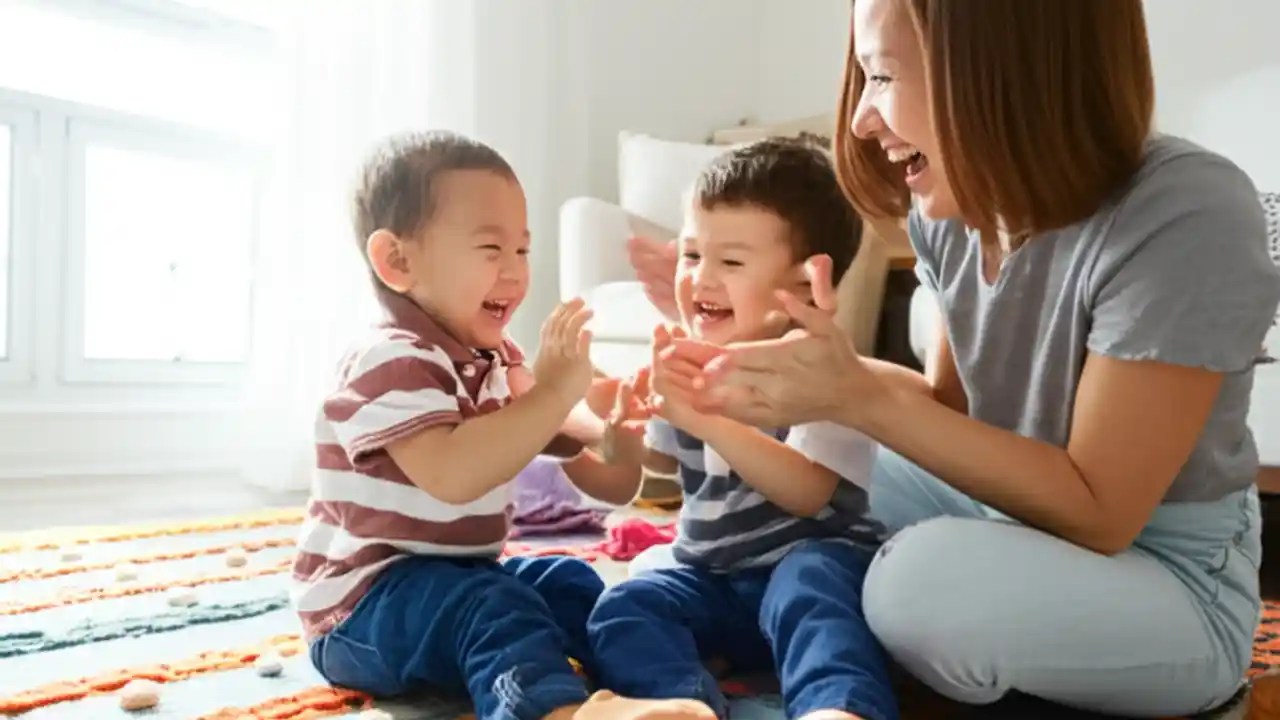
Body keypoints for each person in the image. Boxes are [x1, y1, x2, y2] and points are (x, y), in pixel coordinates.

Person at [636, 1, 1280, 717]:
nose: (859, 120)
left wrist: (855, 396)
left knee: (911, 589)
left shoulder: (1185, 208)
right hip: (1006, 516)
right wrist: (798, 375)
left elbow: (1104, 514)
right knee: (821, 474)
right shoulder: (952, 212)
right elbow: (948, 419)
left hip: (1168, 574)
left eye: (880, 75)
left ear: (999, 66)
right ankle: (804, 632)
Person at [295, 130, 716, 720]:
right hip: (361, 610)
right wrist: (553, 390)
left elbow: (612, 486)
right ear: (398, 262)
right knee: (493, 606)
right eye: (491, 249)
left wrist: (620, 430)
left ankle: (676, 690)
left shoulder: (500, 362)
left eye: (522, 250)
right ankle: (554, 713)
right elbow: (455, 474)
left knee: (572, 584)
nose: (516, 273)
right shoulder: (389, 360)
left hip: (459, 577)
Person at [577, 139, 897, 720]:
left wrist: (709, 419)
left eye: (730, 262)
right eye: (692, 254)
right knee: (625, 605)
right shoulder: (689, 357)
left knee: (814, 592)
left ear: (803, 284)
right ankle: (684, 705)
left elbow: (809, 492)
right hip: (714, 580)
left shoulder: (822, 370)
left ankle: (836, 706)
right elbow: (661, 477)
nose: (700, 278)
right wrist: (619, 420)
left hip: (811, 562)